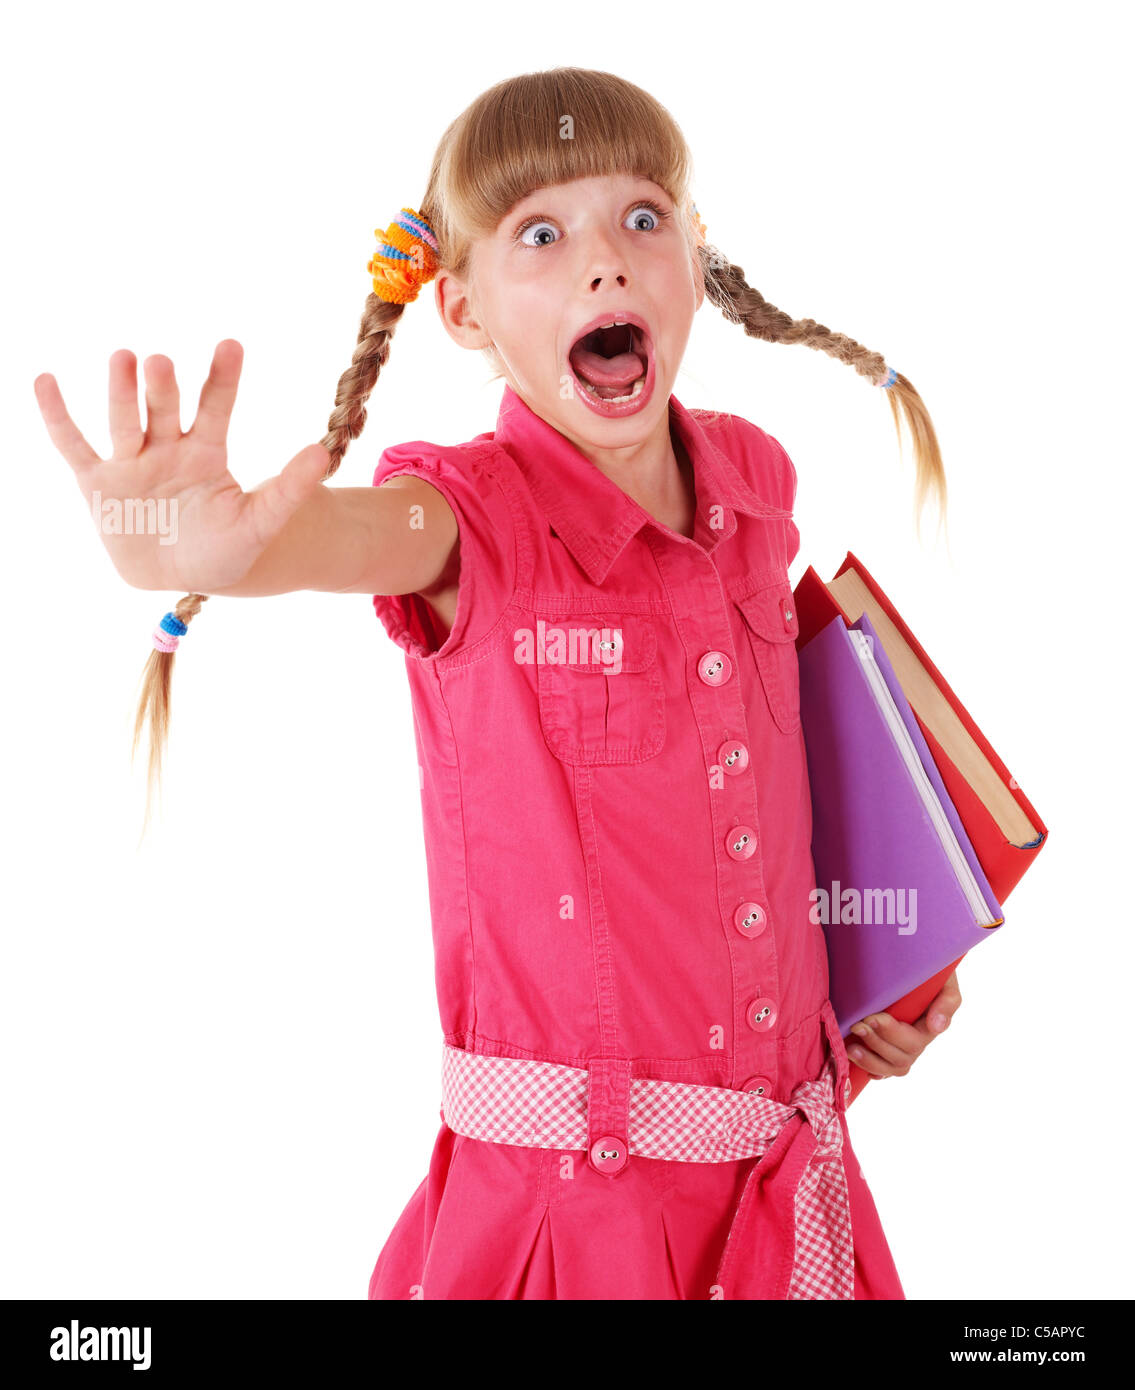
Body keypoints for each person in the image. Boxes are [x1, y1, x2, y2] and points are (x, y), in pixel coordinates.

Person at [34, 66, 962, 1300]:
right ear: (462, 311)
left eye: (643, 218)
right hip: (572, 1228)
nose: (606, 264)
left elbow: (769, 790)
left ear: (696, 257)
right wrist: (206, 546)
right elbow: (354, 536)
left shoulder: (754, 484)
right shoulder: (468, 518)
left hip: (787, 1198)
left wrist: (870, 978)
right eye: (541, 234)